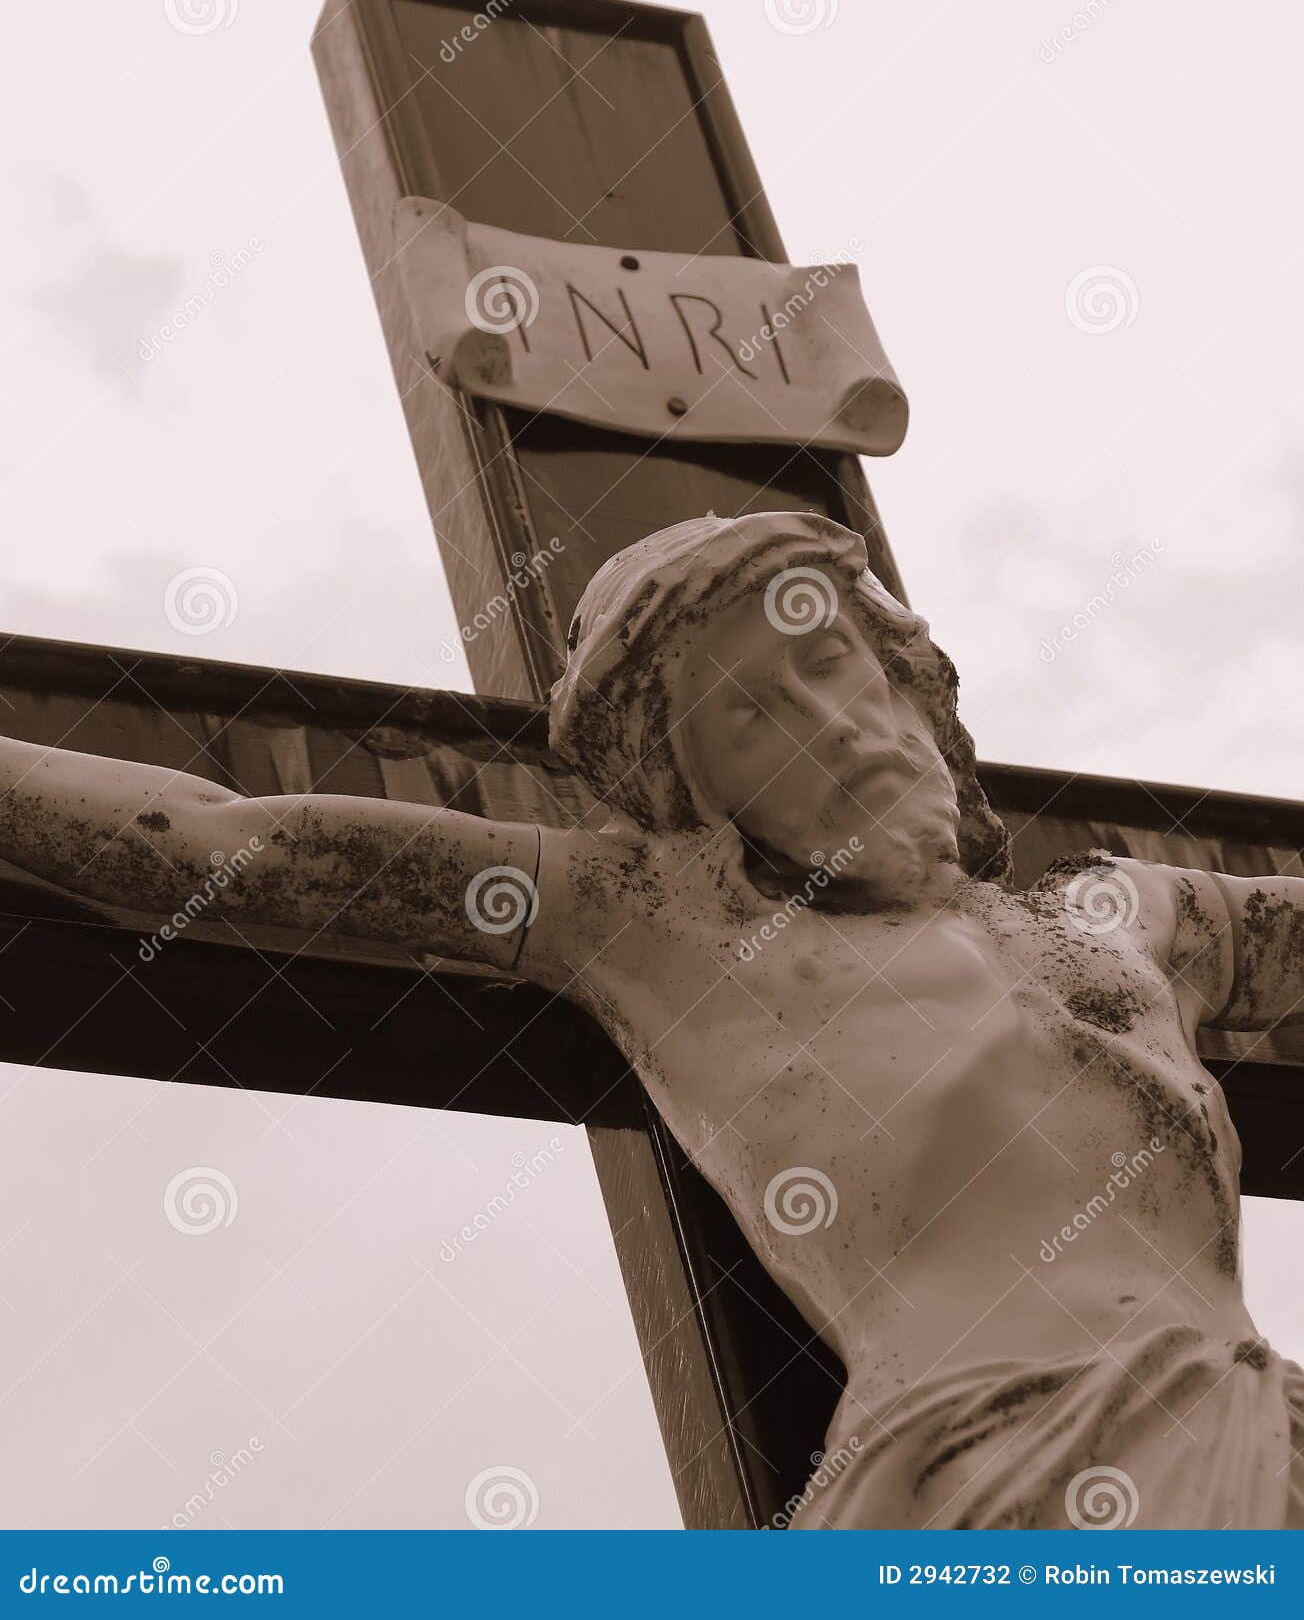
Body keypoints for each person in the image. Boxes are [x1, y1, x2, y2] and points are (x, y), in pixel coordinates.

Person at [3, 509, 1302, 1528]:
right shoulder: (656, 925)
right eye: (750, 712)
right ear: (694, 787)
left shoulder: (1126, 915)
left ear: (909, 677)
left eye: (833, 662)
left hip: (1263, 1450)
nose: (832, 726)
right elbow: (220, 846)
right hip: (976, 1486)